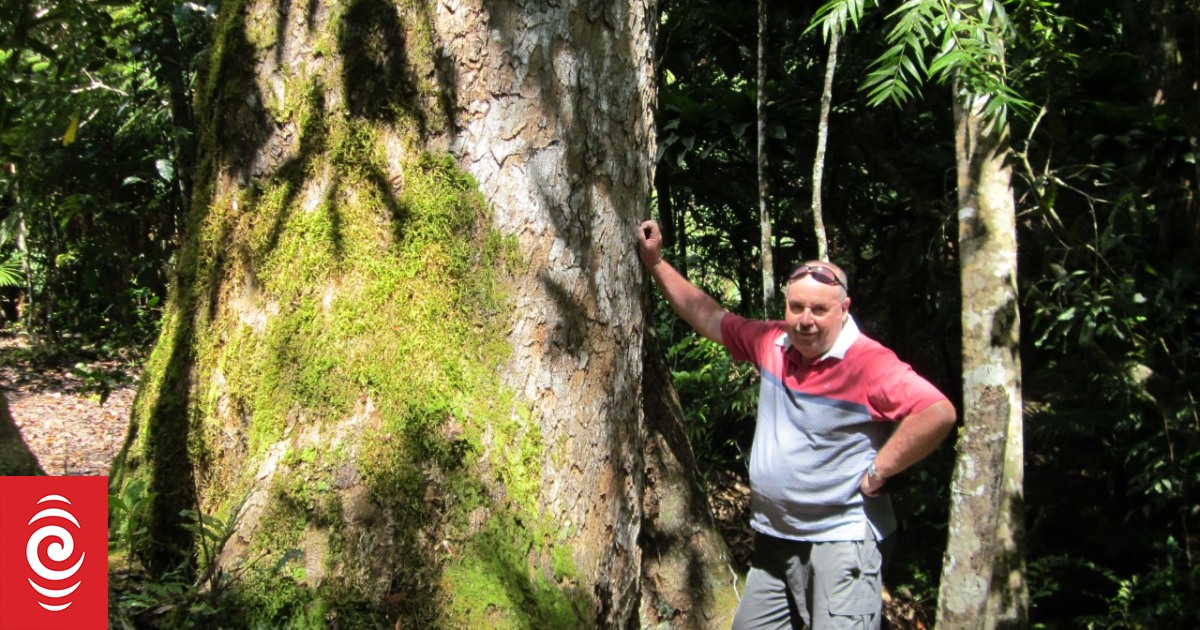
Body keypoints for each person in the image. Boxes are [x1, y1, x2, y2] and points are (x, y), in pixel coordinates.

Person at [635, 220, 957, 630]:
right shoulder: (773, 343)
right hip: (776, 540)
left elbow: (937, 411)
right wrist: (656, 262)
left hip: (841, 542)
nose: (806, 320)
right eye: (797, 307)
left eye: (819, 309)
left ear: (844, 310)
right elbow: (709, 316)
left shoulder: (868, 363)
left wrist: (881, 470)